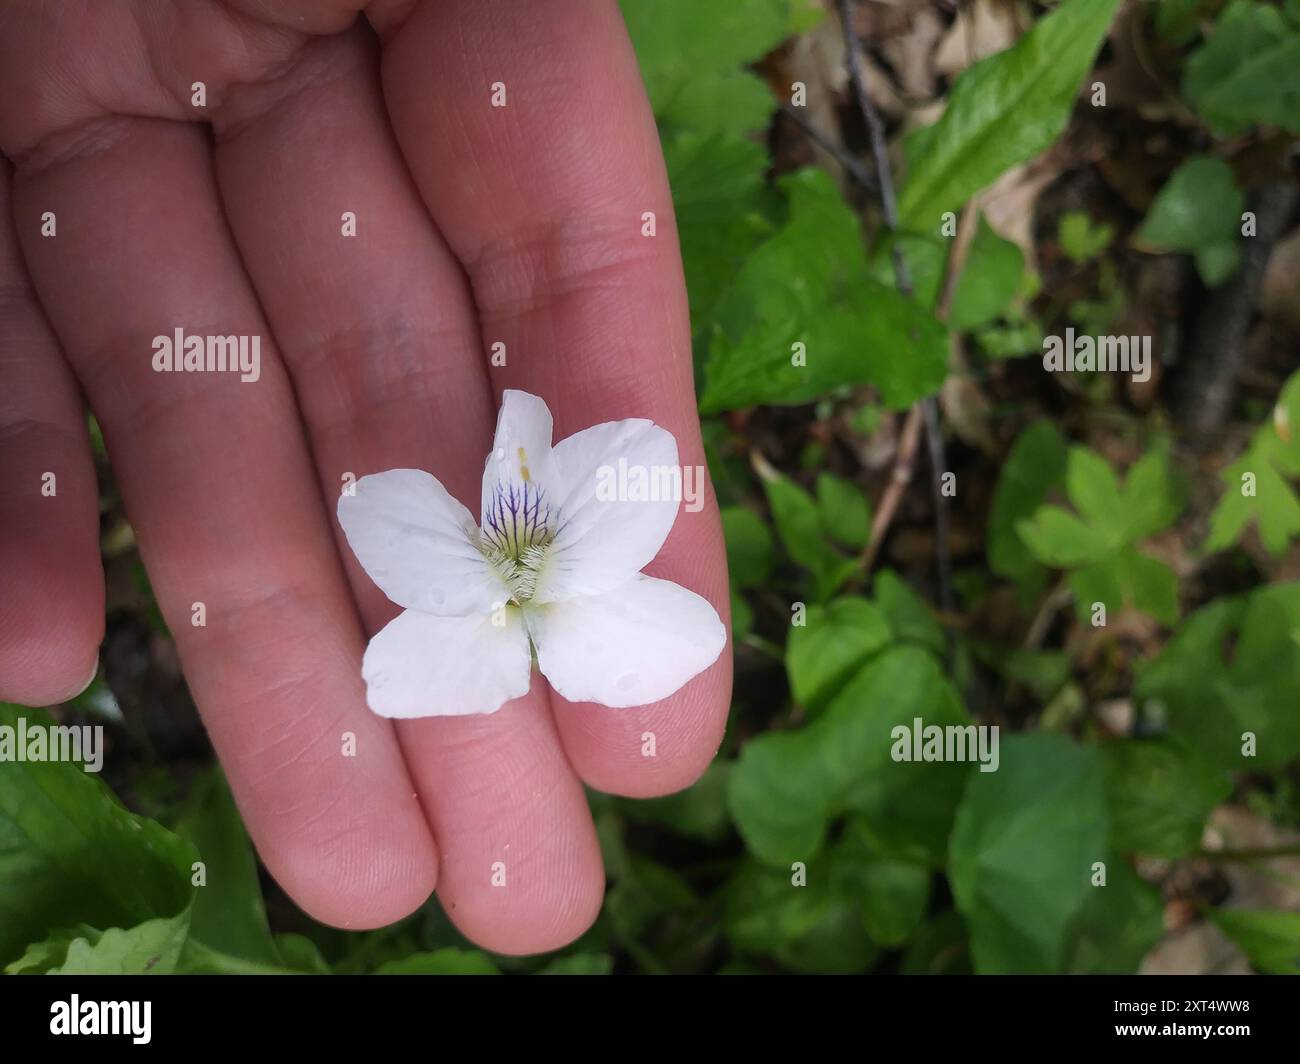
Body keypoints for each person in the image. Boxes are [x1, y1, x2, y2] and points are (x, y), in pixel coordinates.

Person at [0, 0, 731, 955]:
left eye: (522, 547)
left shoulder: (563, 610)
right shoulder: (472, 553)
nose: (517, 550)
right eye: (516, 544)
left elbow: (623, 475)